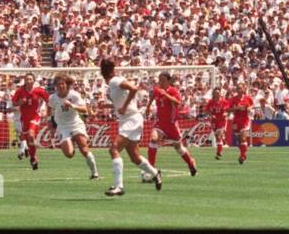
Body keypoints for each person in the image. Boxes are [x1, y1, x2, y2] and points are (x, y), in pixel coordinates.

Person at [99, 58, 160, 196]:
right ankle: (155, 173)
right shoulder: (113, 84)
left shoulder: (115, 81)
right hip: (128, 120)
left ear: (103, 73)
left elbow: (134, 89)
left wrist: (124, 107)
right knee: (135, 157)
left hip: (131, 119)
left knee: (114, 149)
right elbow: (122, 101)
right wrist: (108, 106)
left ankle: (118, 186)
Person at [47, 75, 99, 180]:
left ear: (67, 85)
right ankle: (71, 141)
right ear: (55, 86)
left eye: (63, 84)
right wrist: (50, 125)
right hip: (62, 126)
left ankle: (94, 173)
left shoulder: (74, 95)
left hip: (75, 123)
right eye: (58, 84)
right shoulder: (52, 98)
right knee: (69, 154)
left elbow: (84, 110)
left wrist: (72, 105)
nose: (61, 86)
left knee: (84, 148)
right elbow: (50, 110)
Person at [147, 72, 197, 177]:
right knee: (153, 139)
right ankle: (151, 169)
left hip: (171, 124)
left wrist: (165, 94)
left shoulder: (173, 91)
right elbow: (153, 95)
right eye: (160, 80)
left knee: (178, 147)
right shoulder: (157, 89)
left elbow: (177, 102)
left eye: (163, 80)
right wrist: (148, 107)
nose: (161, 82)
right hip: (160, 123)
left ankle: (190, 162)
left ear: (169, 81)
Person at [9, 74, 47, 171]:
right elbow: (14, 102)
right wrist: (20, 103)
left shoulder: (39, 90)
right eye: (26, 79)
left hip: (35, 117)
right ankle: (33, 158)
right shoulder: (20, 91)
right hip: (24, 118)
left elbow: (49, 99)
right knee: (29, 140)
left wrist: (47, 111)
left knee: (30, 135)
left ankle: (32, 156)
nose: (28, 80)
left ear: (34, 80)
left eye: (30, 79)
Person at [202, 88, 229, 160]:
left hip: (222, 121)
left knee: (219, 136)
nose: (217, 94)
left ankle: (219, 153)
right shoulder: (211, 102)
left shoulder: (224, 101)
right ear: (213, 94)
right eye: (215, 93)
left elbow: (228, 109)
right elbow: (207, 110)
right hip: (214, 121)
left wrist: (226, 113)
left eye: (218, 93)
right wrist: (211, 115)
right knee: (217, 137)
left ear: (220, 94)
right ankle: (220, 147)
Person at [229, 85, 254, 165]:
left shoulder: (247, 98)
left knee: (243, 138)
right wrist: (235, 108)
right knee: (239, 141)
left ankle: (242, 156)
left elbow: (252, 105)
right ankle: (243, 153)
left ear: (243, 89)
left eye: (241, 88)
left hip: (245, 120)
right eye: (238, 88)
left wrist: (249, 108)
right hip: (236, 121)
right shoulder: (233, 99)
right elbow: (228, 108)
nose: (239, 90)